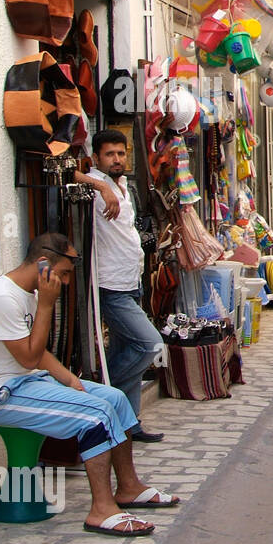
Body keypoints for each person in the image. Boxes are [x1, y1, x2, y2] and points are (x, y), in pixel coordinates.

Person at [0, 234, 179, 536]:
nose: (65, 282)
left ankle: (128, 487)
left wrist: (69, 379)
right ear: (42, 265)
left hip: (27, 383)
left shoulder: (28, 292)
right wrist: (47, 307)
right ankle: (101, 510)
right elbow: (28, 356)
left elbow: (36, 352)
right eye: (63, 274)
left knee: (114, 398)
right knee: (96, 414)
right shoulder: (2, 296)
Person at [72, 129, 165, 443]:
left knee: (129, 349)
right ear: (97, 157)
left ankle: (129, 424)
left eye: (121, 154)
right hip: (110, 285)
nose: (117, 159)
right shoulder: (95, 185)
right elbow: (65, 170)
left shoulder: (124, 184)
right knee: (149, 345)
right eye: (110, 154)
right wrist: (98, 183)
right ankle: (97, 395)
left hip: (131, 279)